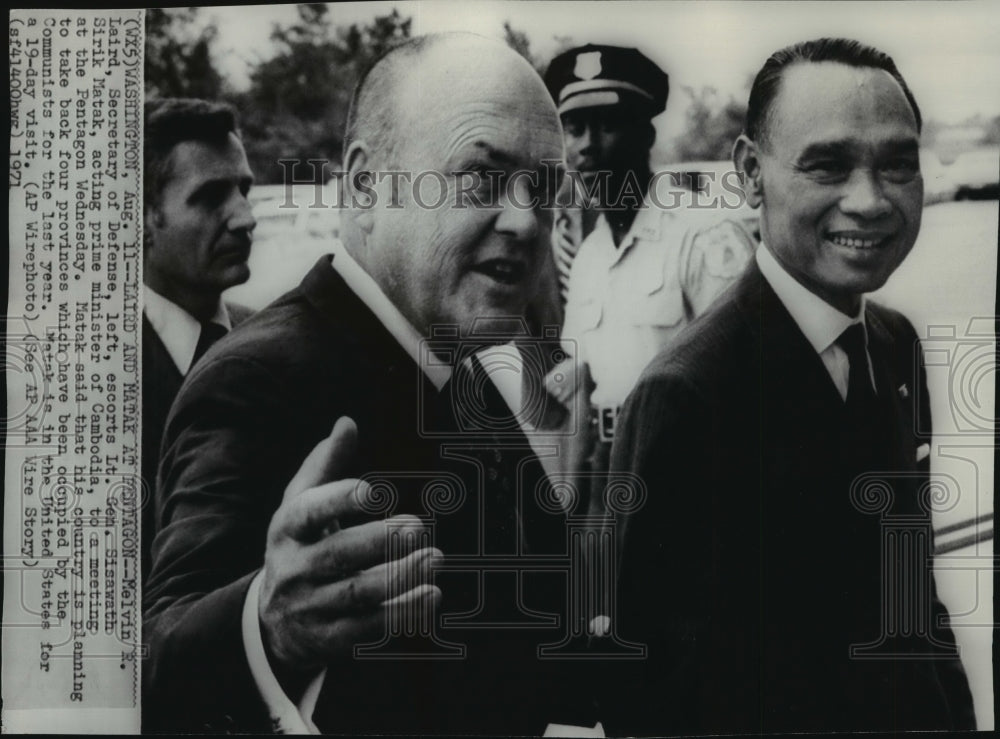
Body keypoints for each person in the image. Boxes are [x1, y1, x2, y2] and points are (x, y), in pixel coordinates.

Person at [143, 34, 593, 734]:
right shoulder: (258, 377)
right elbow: (150, 666)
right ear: (364, 184)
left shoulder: (457, 359)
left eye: (546, 186)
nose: (527, 218)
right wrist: (265, 629)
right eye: (484, 177)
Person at [604, 38, 975, 733]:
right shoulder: (687, 393)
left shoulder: (893, 347)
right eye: (828, 164)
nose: (869, 201)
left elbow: (913, 598)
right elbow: (648, 688)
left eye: (897, 164)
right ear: (751, 173)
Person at [542, 44, 755, 507]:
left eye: (607, 125)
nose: (587, 146)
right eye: (574, 128)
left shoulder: (701, 238)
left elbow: (746, 385)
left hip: (683, 467)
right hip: (602, 472)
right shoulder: (589, 256)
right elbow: (583, 388)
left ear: (645, 135)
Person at [141, 98, 256, 578]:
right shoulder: (85, 376)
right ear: (141, 218)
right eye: (211, 197)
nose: (246, 217)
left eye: (244, 190)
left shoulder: (276, 342)